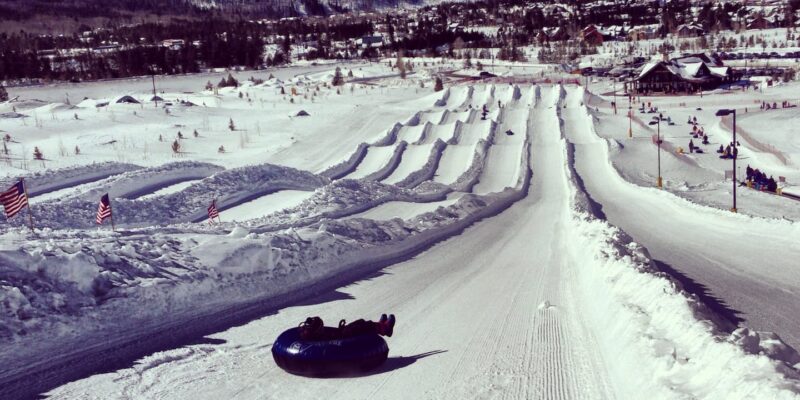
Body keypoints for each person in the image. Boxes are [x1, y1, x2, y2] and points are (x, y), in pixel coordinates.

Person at [299, 314, 396, 340]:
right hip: (339, 340)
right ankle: (385, 329)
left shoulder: (310, 335)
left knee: (359, 322)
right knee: (360, 327)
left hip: (338, 335)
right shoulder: (313, 339)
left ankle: (380, 325)